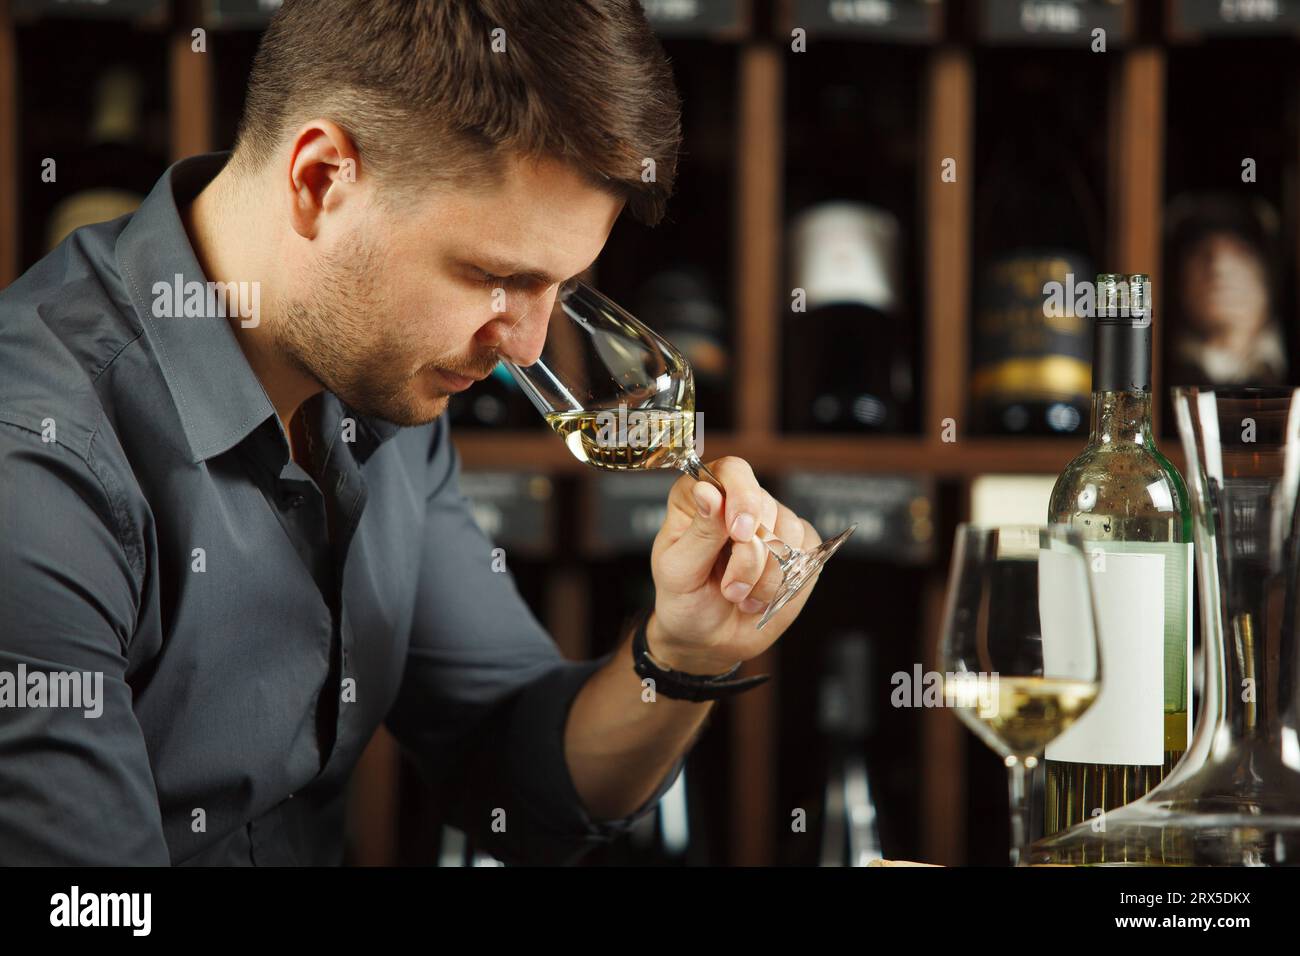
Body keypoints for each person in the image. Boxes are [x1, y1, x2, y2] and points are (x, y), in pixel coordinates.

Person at [0, 0, 823, 865]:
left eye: (563, 287)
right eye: (496, 277)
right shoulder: (39, 465)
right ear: (320, 180)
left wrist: (681, 653)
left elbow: (516, 767)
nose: (529, 349)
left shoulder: (387, 384)